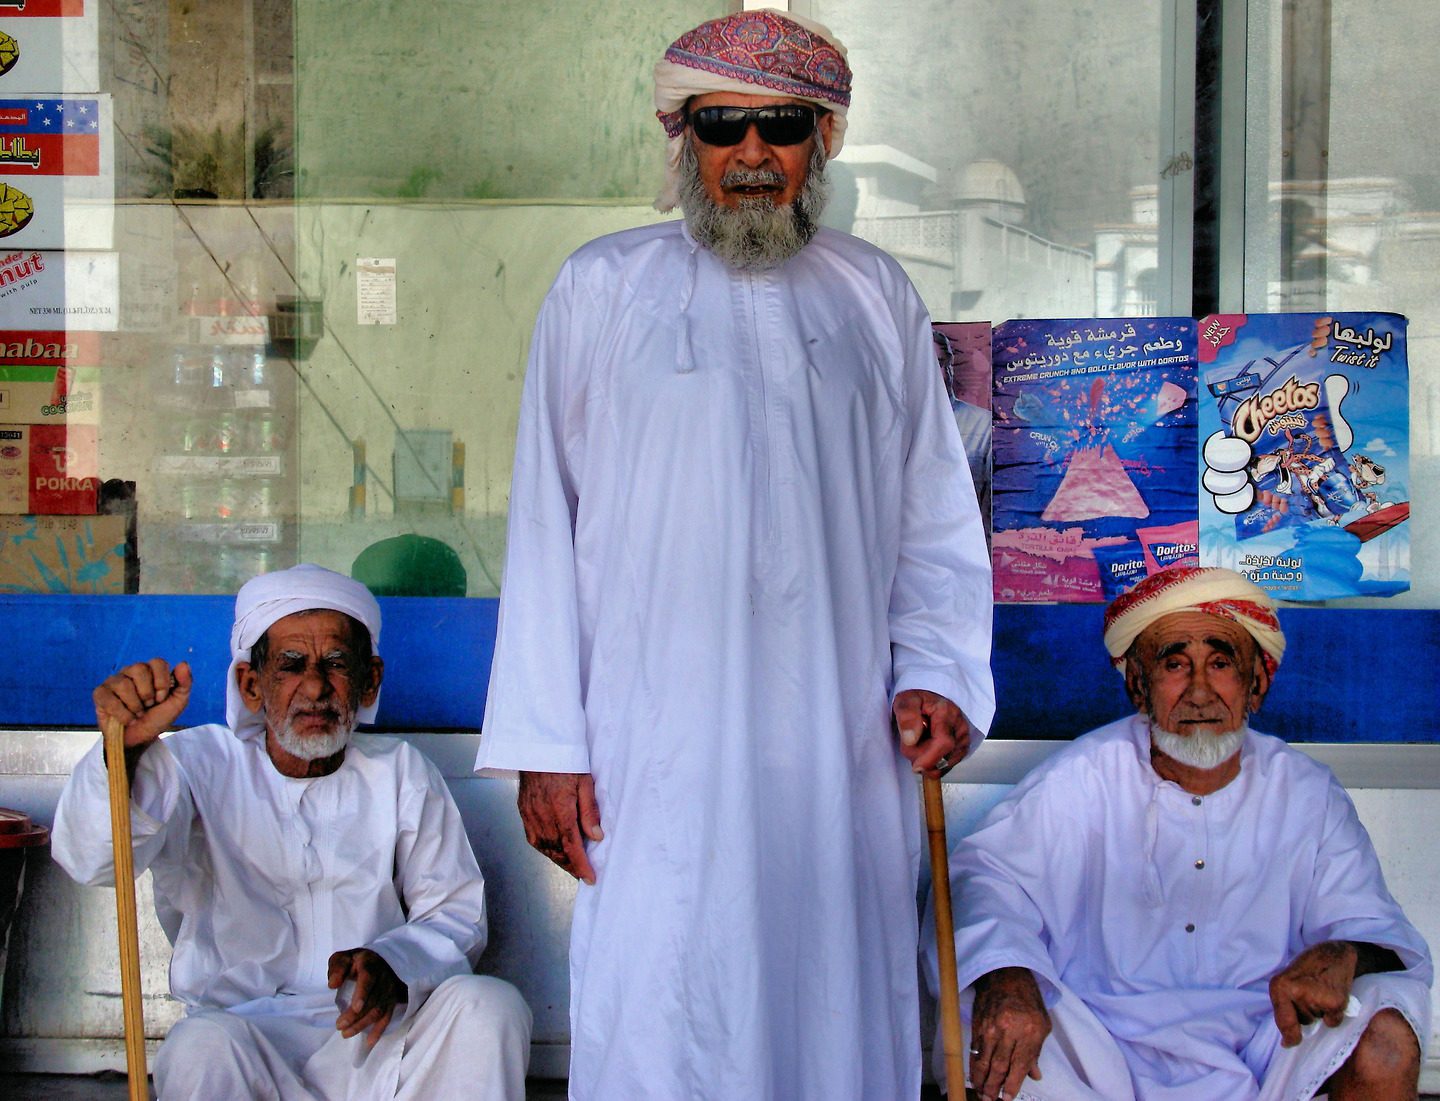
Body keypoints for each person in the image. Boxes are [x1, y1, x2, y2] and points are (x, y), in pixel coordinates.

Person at [477, 9, 994, 1099]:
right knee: (666, 995)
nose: (753, 153)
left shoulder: (874, 296)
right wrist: (544, 743)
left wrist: (940, 675)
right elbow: (543, 526)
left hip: (838, 749)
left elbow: (933, 521)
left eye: (784, 127)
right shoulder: (601, 288)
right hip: (654, 747)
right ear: (685, 137)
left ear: (823, 142)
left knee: (835, 1006)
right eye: (724, 125)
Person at [928, 565, 1431, 1100]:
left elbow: (1380, 932)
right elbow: (986, 882)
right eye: (1174, 665)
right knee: (990, 1009)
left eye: (1220, 664)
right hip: (1102, 1053)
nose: (1198, 691)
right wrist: (1009, 979)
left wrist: (1347, 954)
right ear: (1138, 686)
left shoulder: (1307, 794)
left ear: (1256, 684)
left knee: (1386, 1035)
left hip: (1268, 1046)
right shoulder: (1080, 779)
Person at [53, 564, 532, 1101]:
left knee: (490, 1007)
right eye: (291, 665)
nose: (315, 686)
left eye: (335, 663)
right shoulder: (193, 763)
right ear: (251, 685)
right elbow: (90, 858)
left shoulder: (401, 771)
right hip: (245, 1040)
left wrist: (398, 964)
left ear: (370, 680)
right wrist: (126, 750)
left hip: (378, 1039)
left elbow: (455, 913)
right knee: (196, 1048)